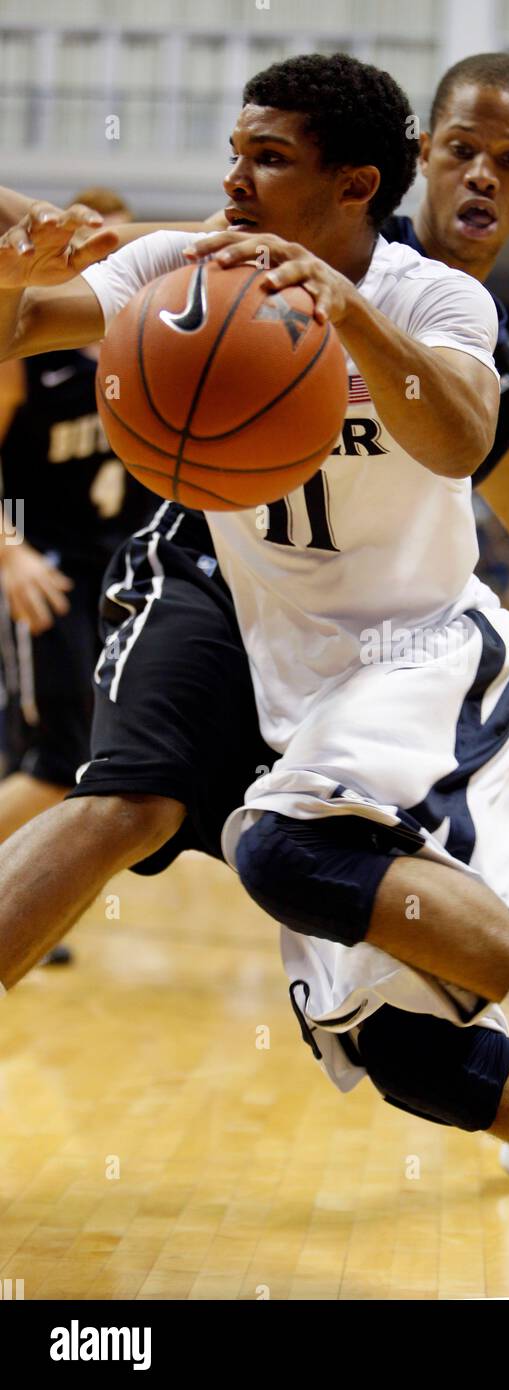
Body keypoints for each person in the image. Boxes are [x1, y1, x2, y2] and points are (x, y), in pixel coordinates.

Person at [3, 53, 509, 1285]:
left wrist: (339, 308)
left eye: (262, 158)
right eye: (463, 148)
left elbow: (461, 440)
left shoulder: (440, 306)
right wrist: (29, 234)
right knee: (401, 1048)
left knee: (280, 847)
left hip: (419, 654)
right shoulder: (189, 269)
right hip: (245, 632)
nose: (232, 178)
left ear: (359, 185)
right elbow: (29, 308)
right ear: (423, 159)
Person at [0, 187, 153, 964]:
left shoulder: (156, 346)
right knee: (59, 764)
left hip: (119, 579)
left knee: (84, 766)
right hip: (45, 567)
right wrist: (9, 549)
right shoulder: (35, 352)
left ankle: (27, 902)